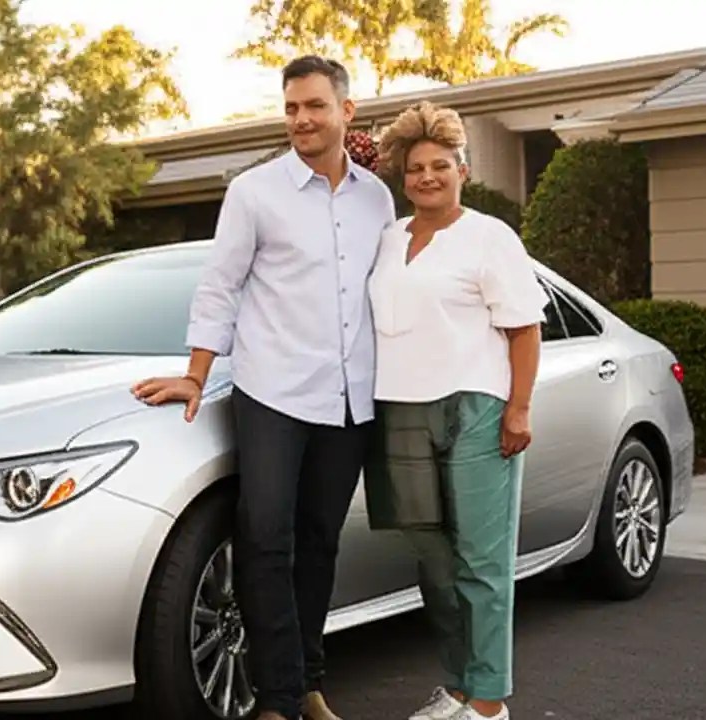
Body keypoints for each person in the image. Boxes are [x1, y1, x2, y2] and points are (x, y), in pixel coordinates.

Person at [132, 55, 395, 720]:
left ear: (346, 112)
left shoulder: (377, 198)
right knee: (265, 537)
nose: (302, 120)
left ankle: (305, 683)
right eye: (291, 108)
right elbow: (220, 286)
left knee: (320, 543)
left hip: (351, 398)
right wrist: (195, 374)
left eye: (315, 106)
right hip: (273, 392)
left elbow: (391, 293)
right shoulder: (254, 193)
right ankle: (276, 698)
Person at [366, 101, 548, 720]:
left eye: (439, 165)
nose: (426, 177)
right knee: (434, 561)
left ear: (462, 170)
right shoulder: (389, 240)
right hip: (399, 410)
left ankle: (490, 704)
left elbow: (525, 330)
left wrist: (517, 410)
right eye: (416, 168)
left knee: (481, 561)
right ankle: (460, 686)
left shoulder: (490, 236)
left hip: (475, 407)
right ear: (404, 177)